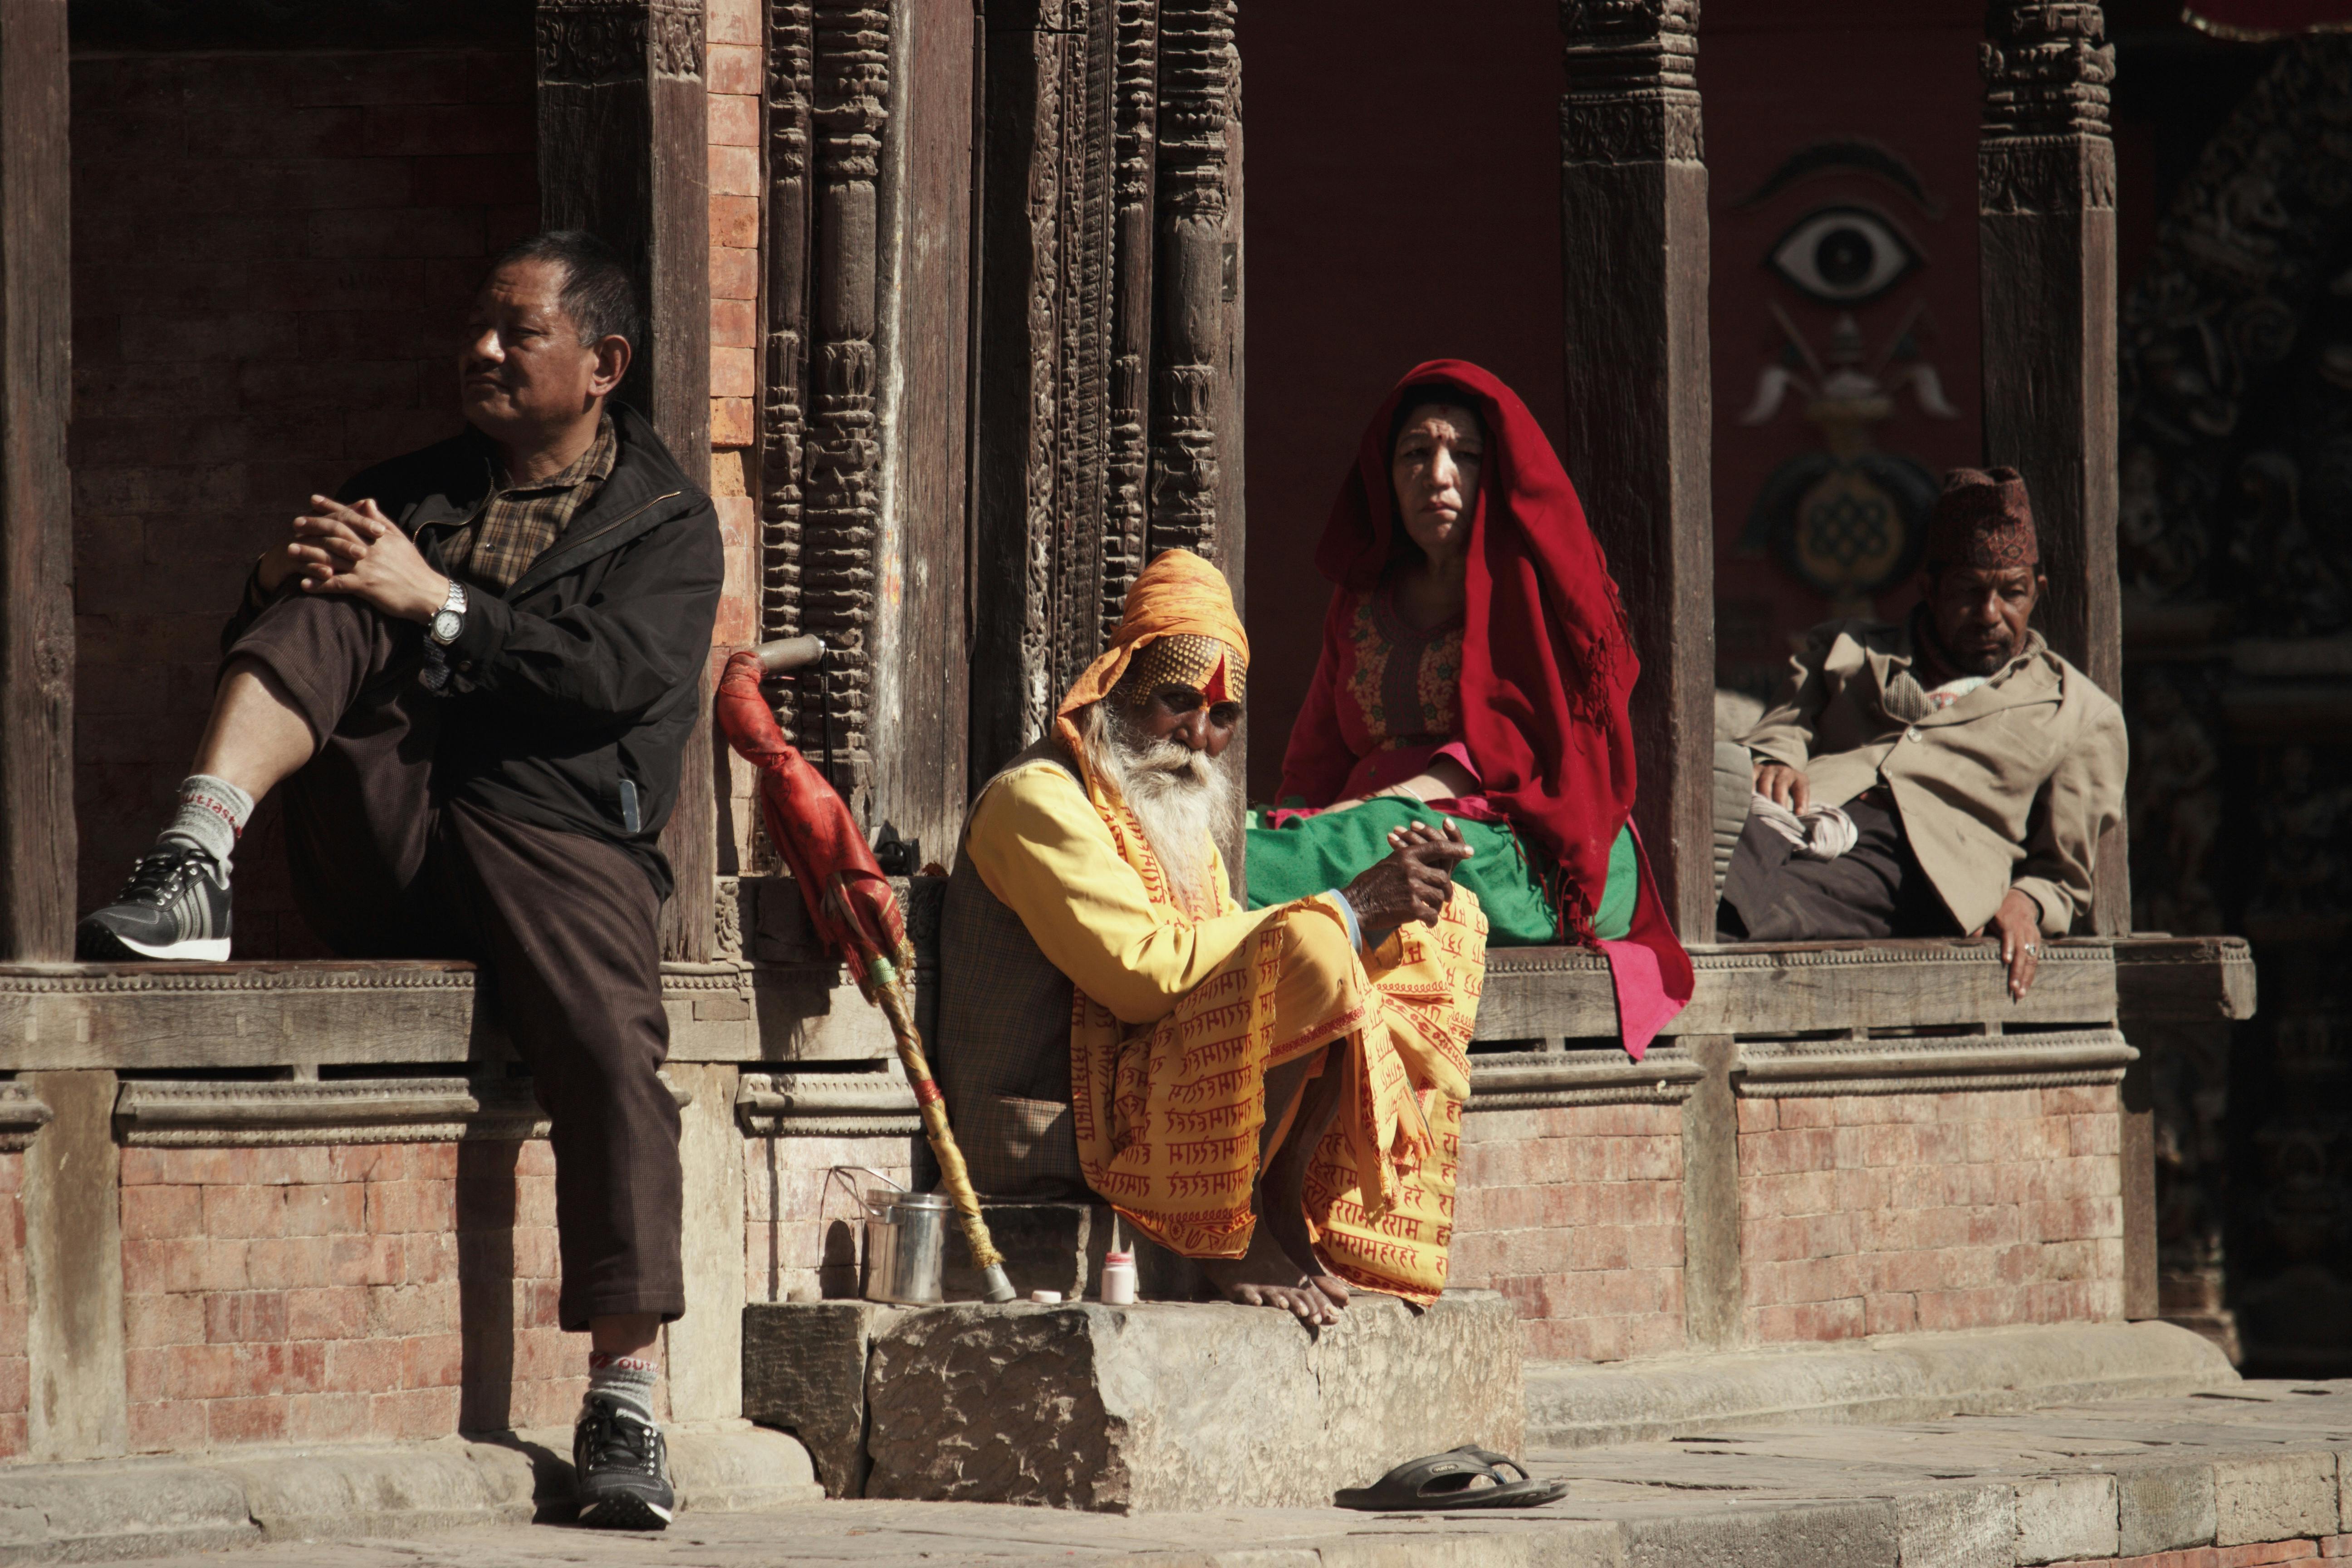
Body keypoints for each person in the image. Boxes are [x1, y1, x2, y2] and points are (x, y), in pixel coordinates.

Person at [74, 231, 719, 1530]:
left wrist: (446, 607)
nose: (481, 350)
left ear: (604, 364)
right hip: (392, 833)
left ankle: (627, 1397)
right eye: (477, 325)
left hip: (560, 841)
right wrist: (285, 577)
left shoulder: (668, 523)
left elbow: (608, 683)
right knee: (347, 578)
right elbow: (287, 636)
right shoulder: (413, 495)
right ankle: (198, 854)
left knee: (610, 1050)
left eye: (517, 330)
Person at [935, 549, 1486, 1325]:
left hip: (1137, 1091)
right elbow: (1142, 976)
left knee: (1437, 932)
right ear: (1119, 687)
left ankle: (1274, 1200)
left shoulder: (1174, 815)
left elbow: (1224, 953)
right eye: (1175, 701)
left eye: (1222, 717)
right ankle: (1224, 1233)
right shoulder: (1034, 801)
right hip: (1045, 1126)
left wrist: (1380, 916)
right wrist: (1348, 908)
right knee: (1321, 943)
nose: (1198, 734)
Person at [1254, 360, 1690, 1054]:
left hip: (1527, 848)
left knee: (1386, 841)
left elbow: (1508, 752)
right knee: (1273, 830)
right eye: (1415, 454)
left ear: (1497, 473)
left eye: (1465, 454)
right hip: (1373, 823)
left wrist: (1364, 813)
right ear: (1385, 477)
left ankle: (1212, 873)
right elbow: (1316, 752)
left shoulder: (1524, 587)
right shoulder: (1362, 600)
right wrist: (1295, 818)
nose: (1439, 473)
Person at [1721, 466, 2128, 1000]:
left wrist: (2025, 902)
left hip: (1915, 864)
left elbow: (2063, 874)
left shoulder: (2080, 714)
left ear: (2038, 592)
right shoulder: (1846, 648)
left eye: (2013, 594)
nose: (1991, 614)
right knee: (1723, 828)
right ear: (1930, 589)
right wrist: (1775, 758)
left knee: (1781, 902)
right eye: (1969, 591)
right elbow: (1784, 727)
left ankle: (1687, 953)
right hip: (1805, 811)